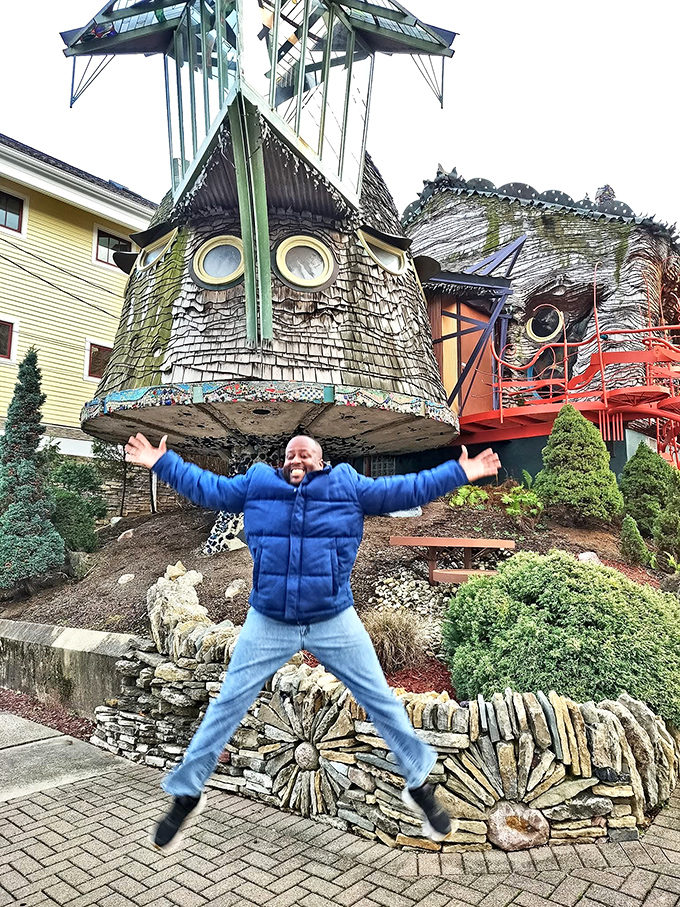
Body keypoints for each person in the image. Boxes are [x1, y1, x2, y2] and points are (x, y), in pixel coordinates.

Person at [125, 432, 501, 853]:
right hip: (269, 620)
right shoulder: (258, 484)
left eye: (305, 454)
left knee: (379, 699)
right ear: (282, 461)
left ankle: (418, 783)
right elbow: (207, 487)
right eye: (290, 455)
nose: (296, 460)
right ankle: (187, 791)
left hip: (333, 618)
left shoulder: (346, 486)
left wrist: (459, 471)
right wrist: (162, 462)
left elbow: (406, 488)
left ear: (321, 462)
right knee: (228, 702)